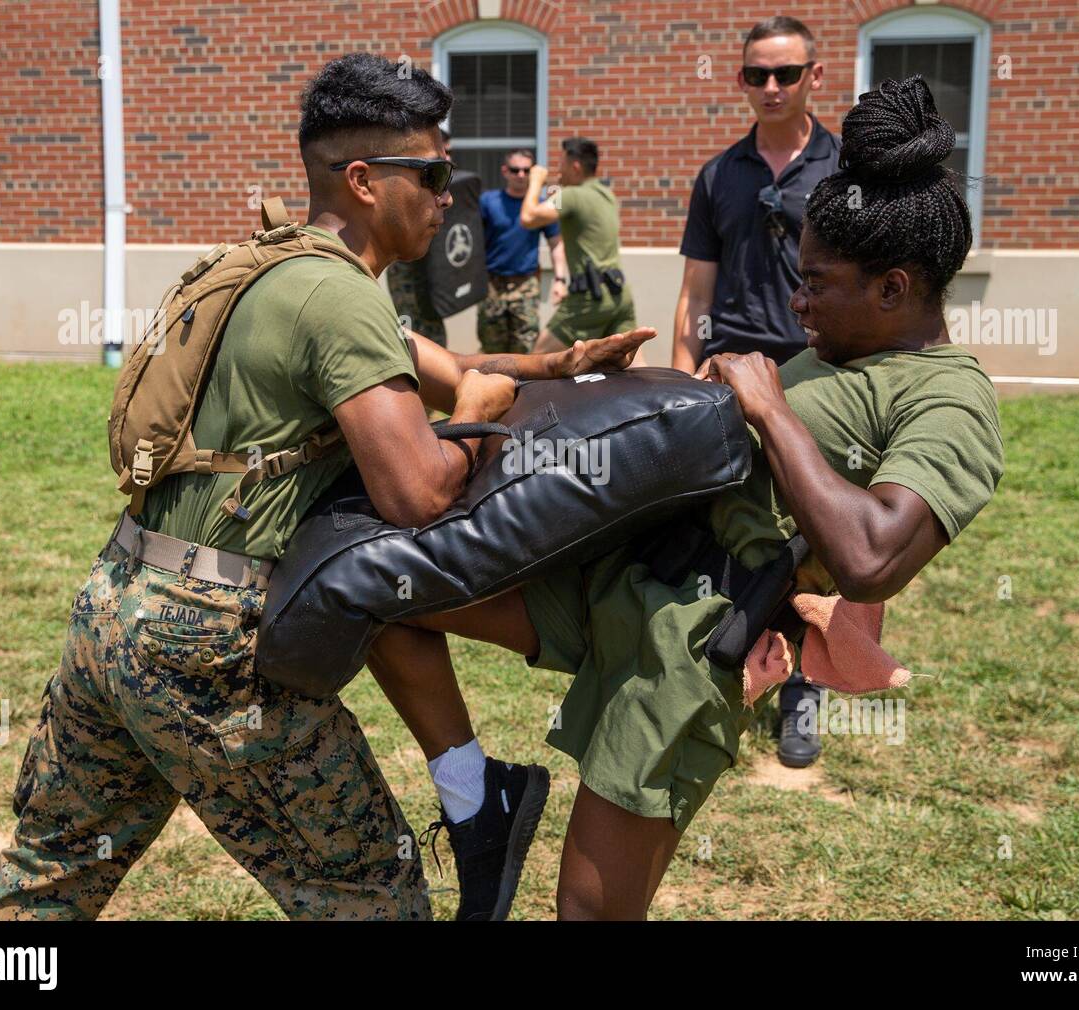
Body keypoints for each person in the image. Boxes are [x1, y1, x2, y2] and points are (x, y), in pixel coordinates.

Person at [0, 52, 654, 923]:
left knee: (52, 868)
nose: (450, 194)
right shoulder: (342, 301)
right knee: (368, 892)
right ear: (366, 180)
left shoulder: (285, 266)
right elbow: (415, 493)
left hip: (118, 609)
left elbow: (427, 366)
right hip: (206, 644)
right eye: (435, 172)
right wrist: (479, 420)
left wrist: (549, 365)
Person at [374, 74, 1004, 919]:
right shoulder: (842, 352)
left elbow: (872, 555)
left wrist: (769, 408)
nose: (797, 298)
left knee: (591, 910)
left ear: (893, 288)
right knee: (387, 588)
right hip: (609, 579)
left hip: (687, 642)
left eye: (817, 283)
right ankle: (476, 795)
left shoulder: (949, 397)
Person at [674, 16, 841, 767]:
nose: (769, 88)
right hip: (729, 373)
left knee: (827, 536)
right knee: (734, 529)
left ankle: (810, 683)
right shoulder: (719, 175)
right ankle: (736, 660)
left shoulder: (848, 173)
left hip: (820, 371)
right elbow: (694, 290)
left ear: (815, 76)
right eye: (755, 75)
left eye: (785, 73)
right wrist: (682, 379)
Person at [520, 138, 637, 354]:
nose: (558, 172)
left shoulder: (572, 196)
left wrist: (536, 181)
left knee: (536, 361)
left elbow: (528, 217)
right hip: (619, 296)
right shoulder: (606, 195)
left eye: (561, 164)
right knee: (633, 368)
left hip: (590, 300)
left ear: (575, 166)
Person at [477, 148, 568, 354]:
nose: (520, 175)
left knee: (525, 349)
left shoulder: (540, 206)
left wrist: (560, 279)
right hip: (491, 285)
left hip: (526, 285)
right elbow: (472, 241)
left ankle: (522, 388)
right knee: (491, 350)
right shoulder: (488, 202)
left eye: (526, 170)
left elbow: (556, 243)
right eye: (515, 170)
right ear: (505, 171)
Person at [385, 132, 454, 345]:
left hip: (433, 268)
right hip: (407, 266)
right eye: (442, 153)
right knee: (407, 326)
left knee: (434, 324)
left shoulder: (445, 183)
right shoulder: (414, 180)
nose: (447, 158)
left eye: (449, 152)